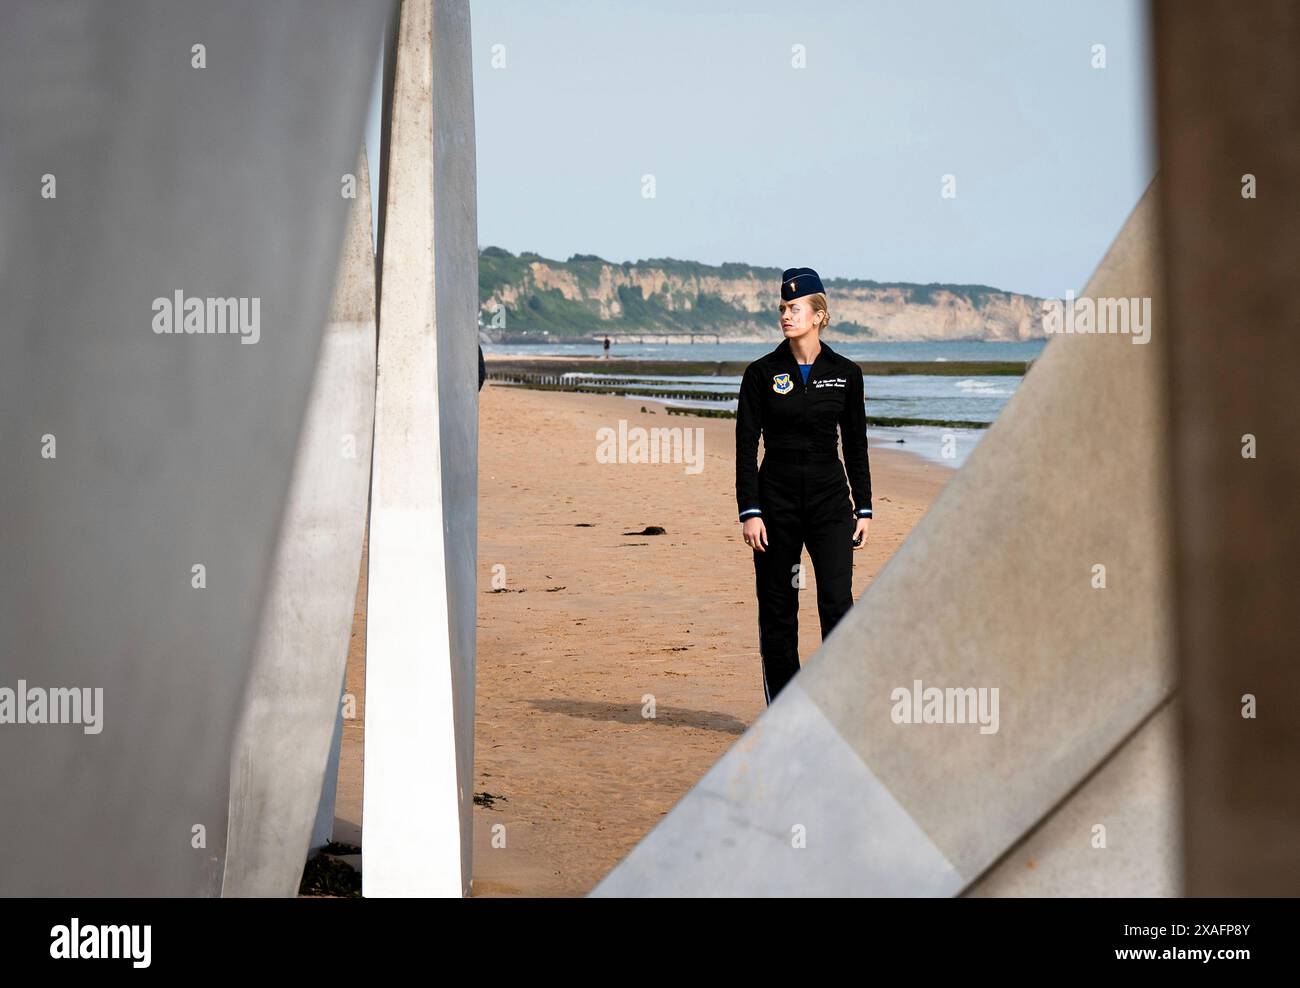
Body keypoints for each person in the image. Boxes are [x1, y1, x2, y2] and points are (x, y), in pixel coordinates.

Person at [735, 267, 872, 705]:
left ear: (818, 314)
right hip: (775, 507)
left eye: (794, 308)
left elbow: (855, 443)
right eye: (782, 309)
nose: (785, 315)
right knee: (779, 611)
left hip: (831, 506)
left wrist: (864, 508)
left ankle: (837, 706)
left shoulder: (845, 373)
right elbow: (744, 446)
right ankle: (785, 711)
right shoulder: (761, 373)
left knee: (836, 605)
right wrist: (750, 510)